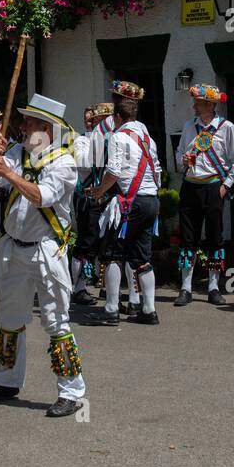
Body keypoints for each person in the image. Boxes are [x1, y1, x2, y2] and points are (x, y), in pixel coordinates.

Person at [0, 93, 86, 416]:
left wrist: (7, 173)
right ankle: (7, 380)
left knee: (55, 320)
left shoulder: (63, 162)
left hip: (46, 251)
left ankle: (71, 390)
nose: (22, 127)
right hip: (14, 250)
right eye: (23, 121)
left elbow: (42, 197)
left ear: (47, 129)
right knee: (9, 318)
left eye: (29, 122)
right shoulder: (16, 153)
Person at [89, 83, 161, 326]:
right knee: (142, 256)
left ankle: (110, 309)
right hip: (151, 200)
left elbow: (113, 171)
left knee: (112, 254)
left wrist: (99, 191)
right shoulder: (148, 138)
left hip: (129, 202)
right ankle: (149, 310)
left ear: (118, 117)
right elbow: (157, 171)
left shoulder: (119, 136)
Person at [174, 83, 234, 307]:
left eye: (198, 103)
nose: (194, 107)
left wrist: (225, 185)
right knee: (188, 238)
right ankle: (186, 288)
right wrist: (182, 159)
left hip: (214, 186)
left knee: (215, 237)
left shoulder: (227, 128)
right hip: (190, 186)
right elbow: (178, 153)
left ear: (209, 105)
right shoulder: (189, 126)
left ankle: (214, 287)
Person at [69, 104, 107, 305]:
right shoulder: (82, 140)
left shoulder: (113, 140)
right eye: (88, 120)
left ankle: (107, 286)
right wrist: (100, 143)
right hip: (87, 197)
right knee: (86, 242)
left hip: (108, 198)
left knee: (108, 243)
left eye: (93, 120)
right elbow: (82, 163)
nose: (89, 123)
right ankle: (79, 287)